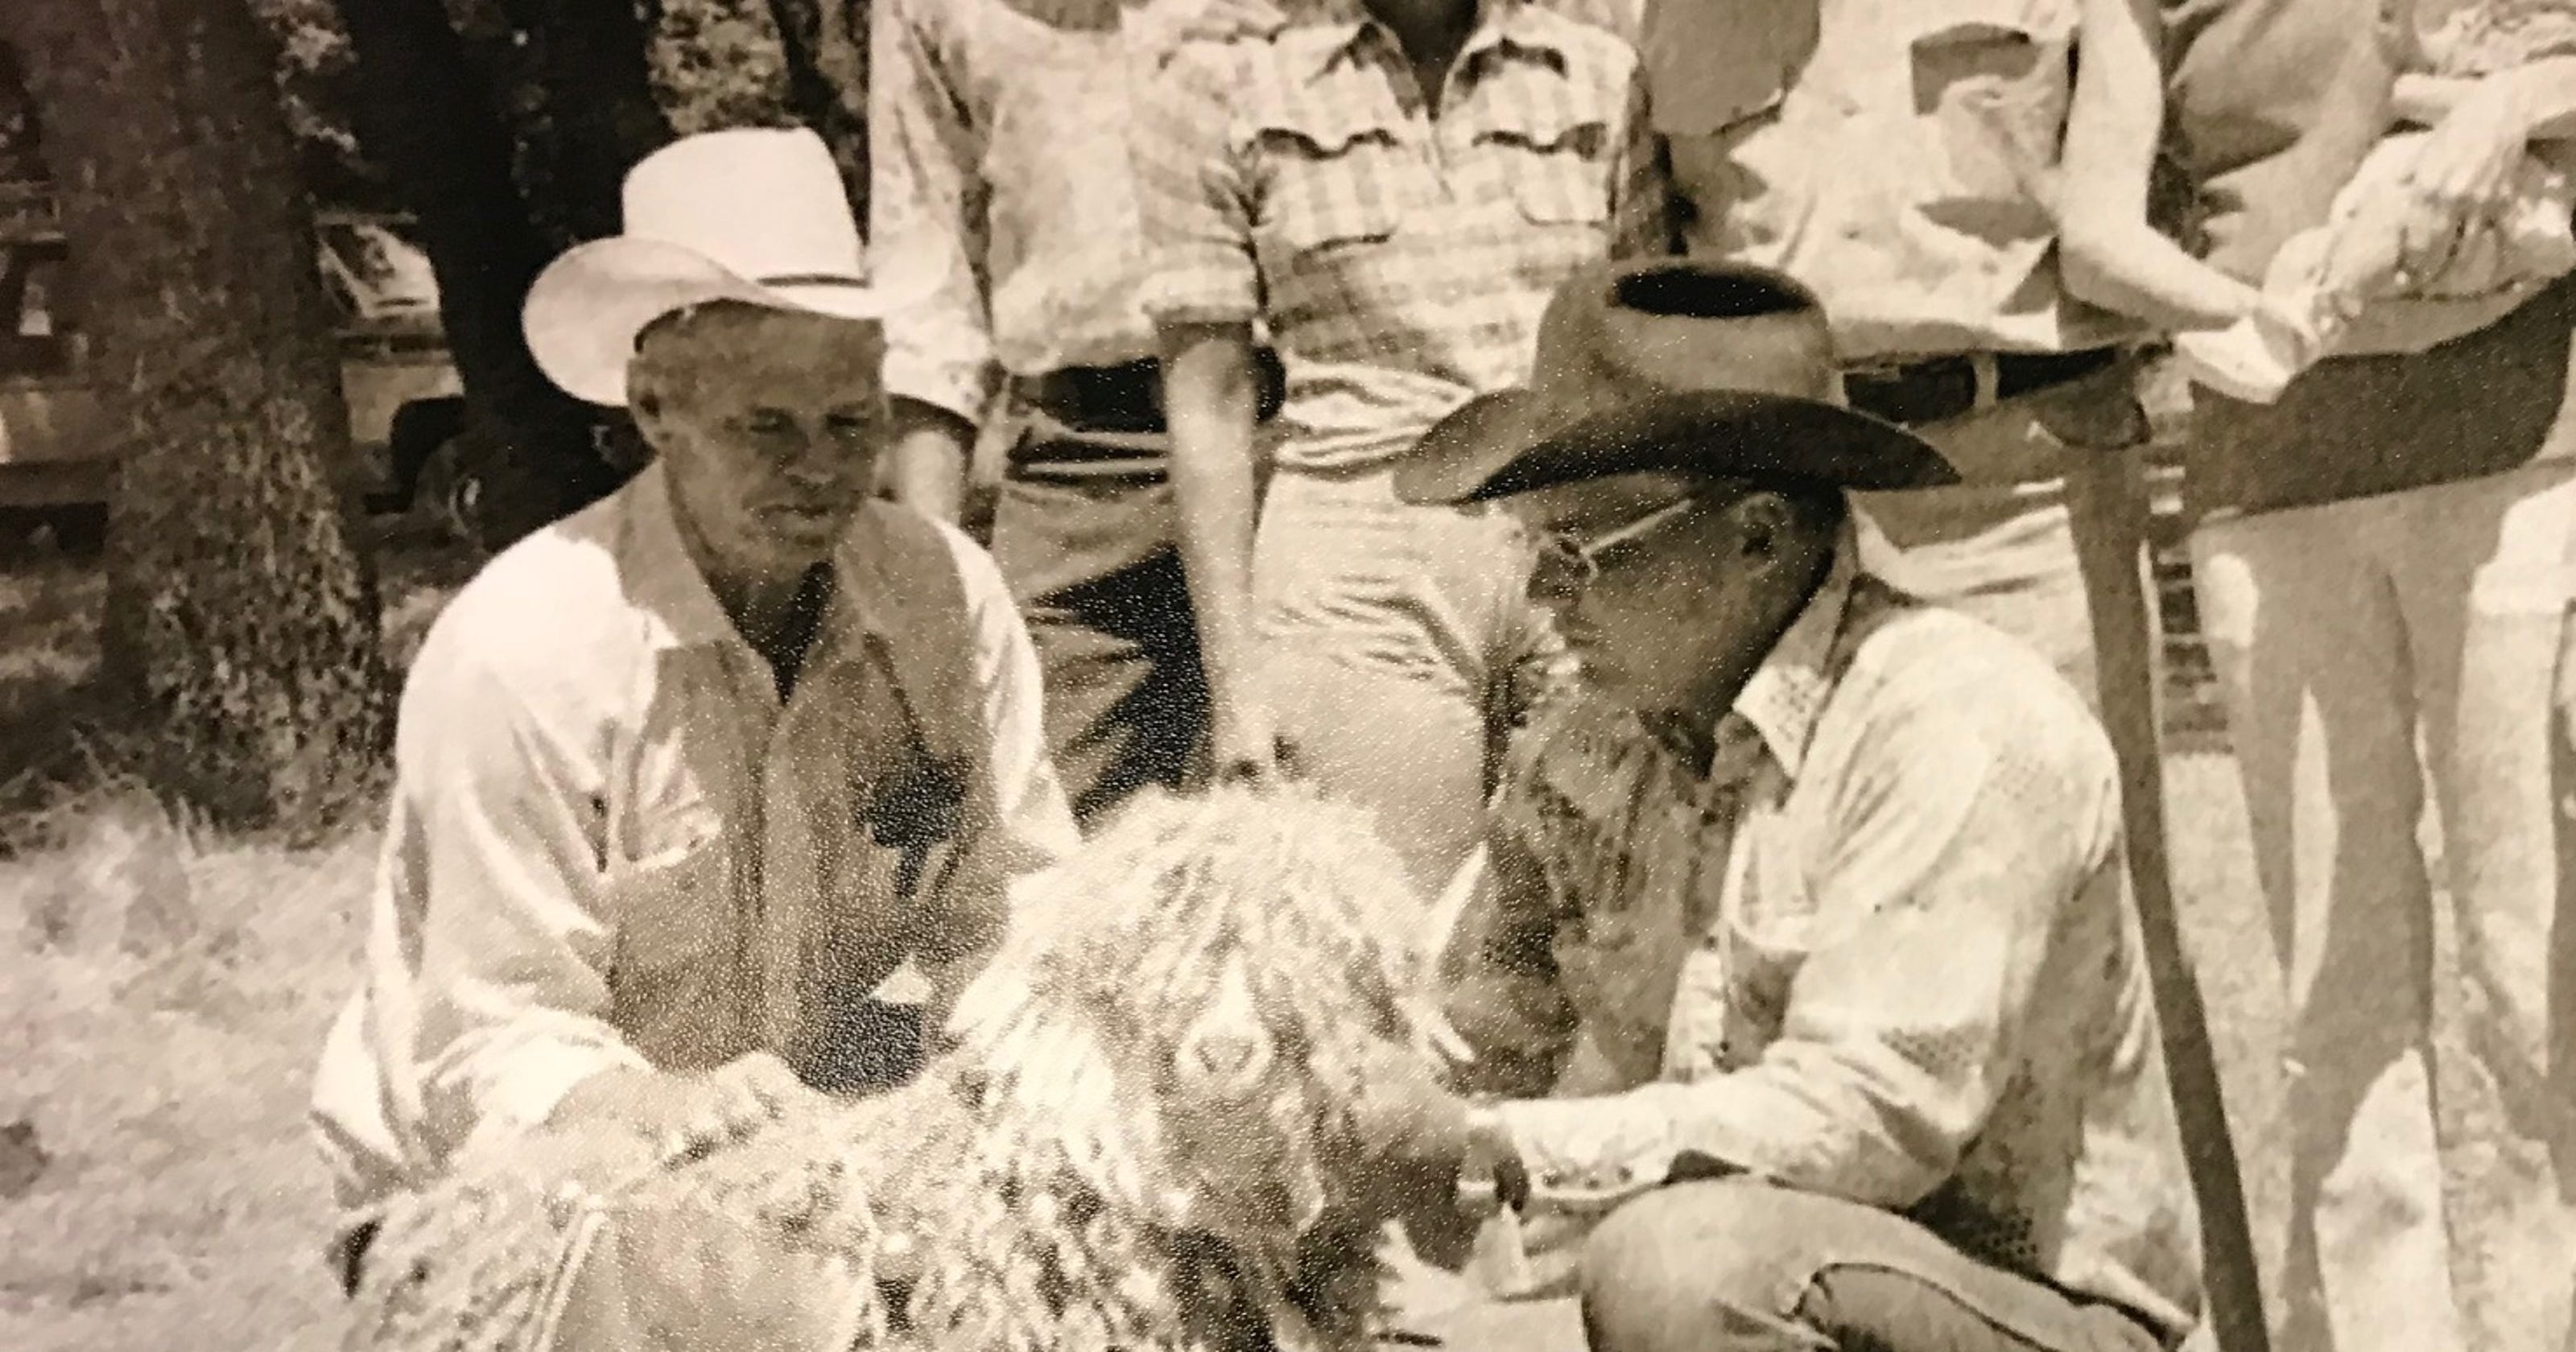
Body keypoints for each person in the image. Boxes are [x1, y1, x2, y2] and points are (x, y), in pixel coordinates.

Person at [1349, 256, 2207, 1352]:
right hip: (1746, 1289)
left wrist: (1487, 1146)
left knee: (1679, 1270)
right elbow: (1476, 1039)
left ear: (1757, 539)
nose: (1541, 596)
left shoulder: (1958, 723)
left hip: (2025, 1307)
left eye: (1578, 550)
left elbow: (1868, 1124)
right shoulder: (1582, 752)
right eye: (1533, 547)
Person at [307, 127, 1080, 1295]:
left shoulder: (943, 601)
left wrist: (1010, 1062)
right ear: (655, 405)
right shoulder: (525, 654)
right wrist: (663, 1108)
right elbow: (493, 1040)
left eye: (851, 424)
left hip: (796, 1133)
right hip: (499, 1188)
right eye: (766, 427)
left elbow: (1016, 906)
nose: (820, 470)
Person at [2050, 2, 2576, 1350]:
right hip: (2272, 488)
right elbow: (2099, 239)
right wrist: (2255, 307)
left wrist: (2509, 107)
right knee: (2336, 991)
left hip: (2518, 462)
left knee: (2539, 979)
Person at [1128, 0, 1674, 897]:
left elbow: (1643, 353)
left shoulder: (1600, 73)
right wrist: (1237, 691)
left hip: (1574, 534)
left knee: (1601, 916)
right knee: (1386, 925)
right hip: (1359, 555)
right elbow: (1209, 401)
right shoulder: (1223, 86)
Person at [1634, 0, 2164, 710]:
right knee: (1792, 813)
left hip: (2022, 492)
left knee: (2053, 797)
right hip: (1777, 508)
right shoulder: (1664, 15)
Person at [869, 0, 1287, 826]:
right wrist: (938, 594)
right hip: (1081, 465)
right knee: (1040, 828)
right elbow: (925, 286)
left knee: (1326, 809)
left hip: (1293, 435)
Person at [2165, 1, 2576, 401]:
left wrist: (2500, 105)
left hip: (2487, 244)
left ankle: (2298, 322)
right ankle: (2269, 332)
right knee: (2317, 254)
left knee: (2380, 235)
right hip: (2336, 246)